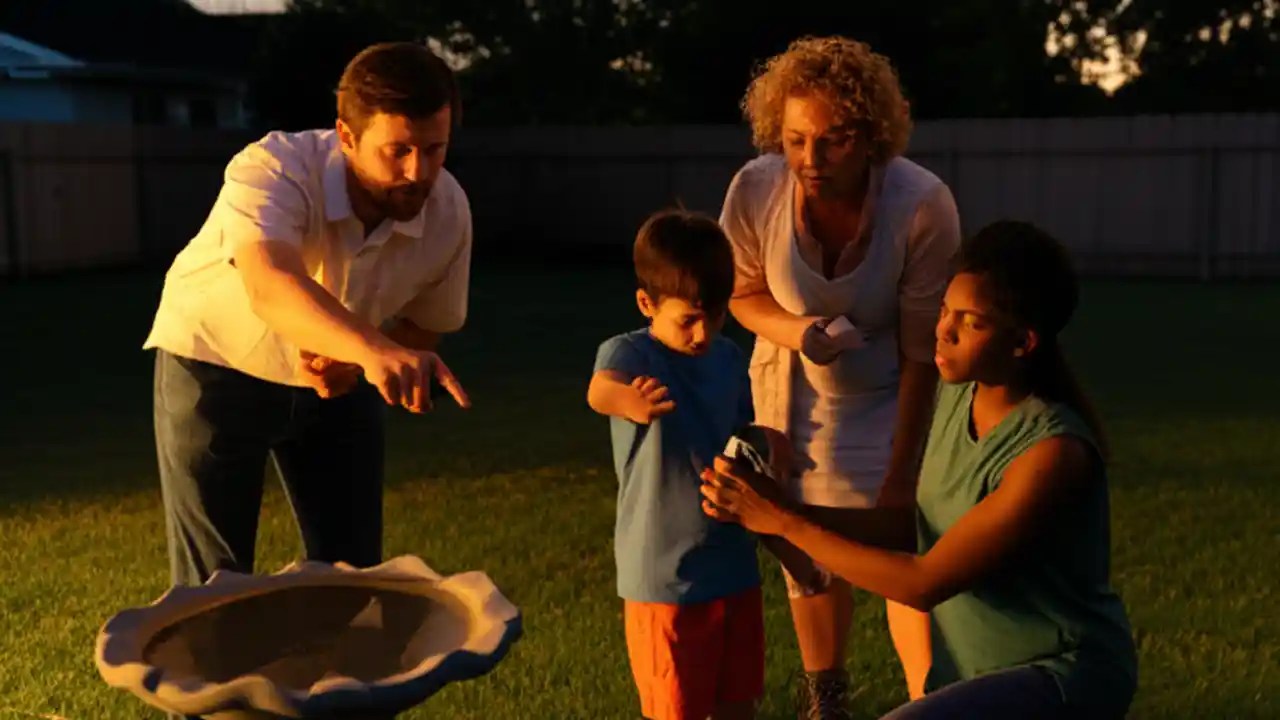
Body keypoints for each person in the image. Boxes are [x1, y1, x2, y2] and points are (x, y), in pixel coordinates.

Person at [702, 221, 1139, 719]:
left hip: (1061, 674)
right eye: (945, 309)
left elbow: (924, 582)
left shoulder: (1052, 454)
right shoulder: (958, 393)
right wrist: (775, 512)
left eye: (970, 321)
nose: (944, 330)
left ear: (1023, 342)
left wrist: (783, 520)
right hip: (974, 670)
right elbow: (916, 526)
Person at [143, 41, 473, 595]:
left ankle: (338, 680)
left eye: (435, 149)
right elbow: (270, 282)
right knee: (213, 587)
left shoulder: (448, 210)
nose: (419, 172)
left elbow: (426, 322)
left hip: (339, 384)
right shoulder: (272, 168)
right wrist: (372, 351)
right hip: (216, 364)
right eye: (398, 151)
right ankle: (227, 682)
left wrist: (362, 362)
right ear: (346, 137)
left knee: (353, 573)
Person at [718, 34, 961, 716]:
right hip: (792, 391)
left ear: (873, 135)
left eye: (833, 141)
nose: (811, 160)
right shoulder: (757, 188)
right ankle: (827, 696)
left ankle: (928, 699)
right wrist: (802, 334)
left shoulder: (920, 204)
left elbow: (925, 351)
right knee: (808, 545)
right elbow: (739, 292)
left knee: (898, 546)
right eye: (795, 141)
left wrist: (901, 473)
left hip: (891, 390)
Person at [587, 210, 764, 720]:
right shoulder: (632, 354)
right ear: (647, 303)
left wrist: (765, 444)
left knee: (739, 700)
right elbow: (599, 391)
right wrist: (630, 402)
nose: (703, 333)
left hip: (731, 561)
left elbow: (740, 432)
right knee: (676, 707)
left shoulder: (728, 358)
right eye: (687, 319)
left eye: (716, 315)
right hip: (665, 574)